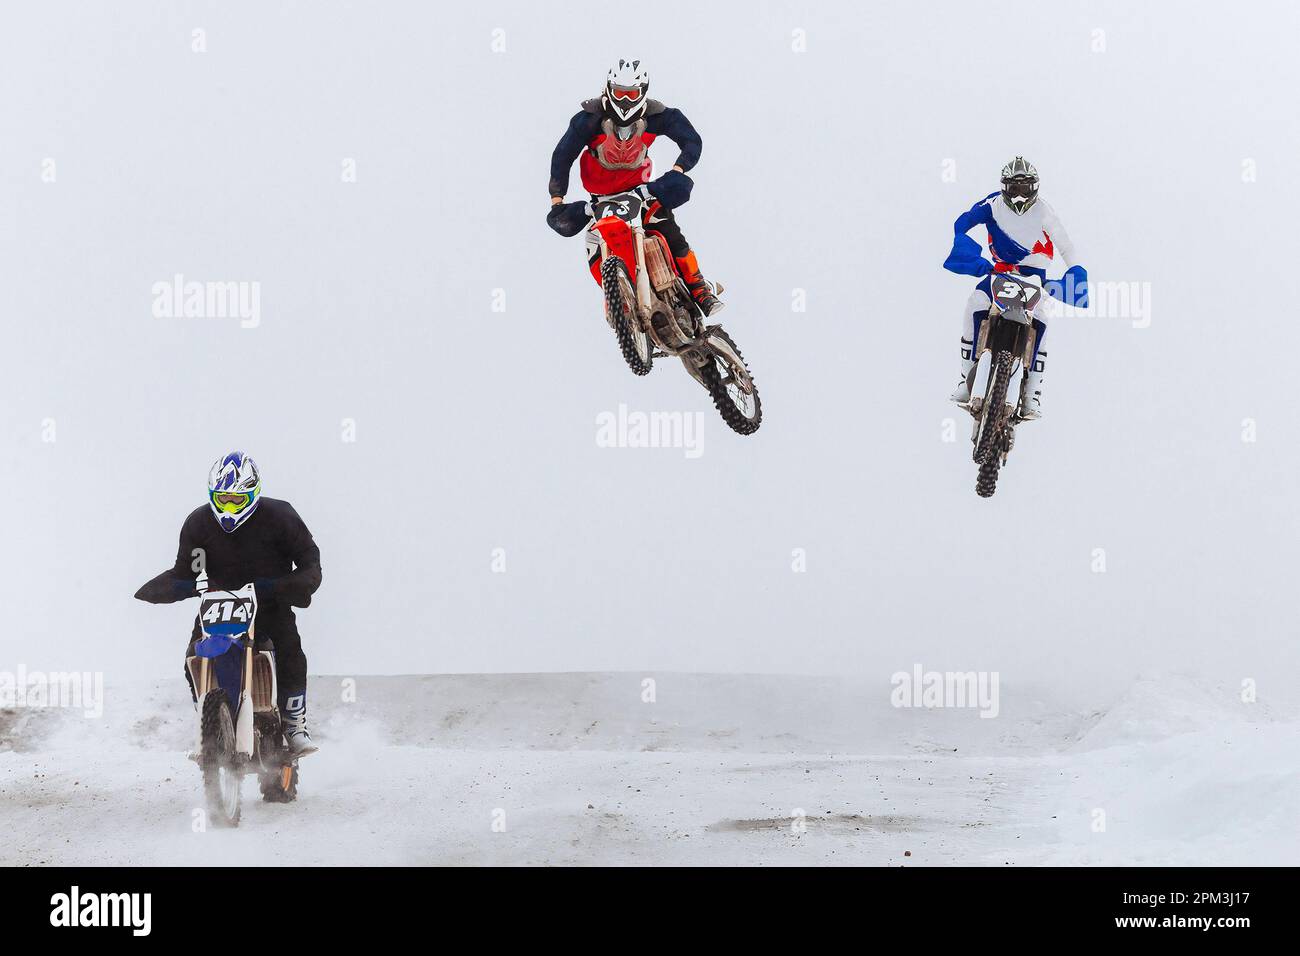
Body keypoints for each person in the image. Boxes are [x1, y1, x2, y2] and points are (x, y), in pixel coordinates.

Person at [134, 451, 322, 755]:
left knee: (290, 652)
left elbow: (310, 564)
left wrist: (287, 586)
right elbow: (186, 571)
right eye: (223, 499)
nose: (229, 507)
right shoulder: (198, 524)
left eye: (237, 499)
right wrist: (164, 589)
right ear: (212, 496)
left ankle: (294, 725)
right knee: (193, 656)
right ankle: (208, 725)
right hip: (219, 604)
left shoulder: (281, 517)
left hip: (269, 603)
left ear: (253, 494)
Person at [547, 58, 723, 315]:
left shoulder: (658, 116)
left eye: (631, 94)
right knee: (593, 245)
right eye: (620, 93)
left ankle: (699, 288)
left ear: (642, 92)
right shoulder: (588, 120)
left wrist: (679, 169)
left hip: (641, 192)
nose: (625, 100)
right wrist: (557, 200)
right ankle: (620, 303)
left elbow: (691, 139)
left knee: (666, 225)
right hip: (600, 200)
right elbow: (563, 155)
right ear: (609, 90)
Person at [943, 157, 1089, 419]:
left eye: (1025, 189)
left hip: (1035, 279)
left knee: (1042, 319)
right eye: (1014, 189)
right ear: (1004, 188)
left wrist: (1076, 271)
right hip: (999, 272)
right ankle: (966, 379)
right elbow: (962, 223)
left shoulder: (1045, 212)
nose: (1020, 197)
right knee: (975, 304)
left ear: (1035, 188)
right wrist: (968, 253)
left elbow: (1067, 246)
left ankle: (1032, 393)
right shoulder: (992, 204)